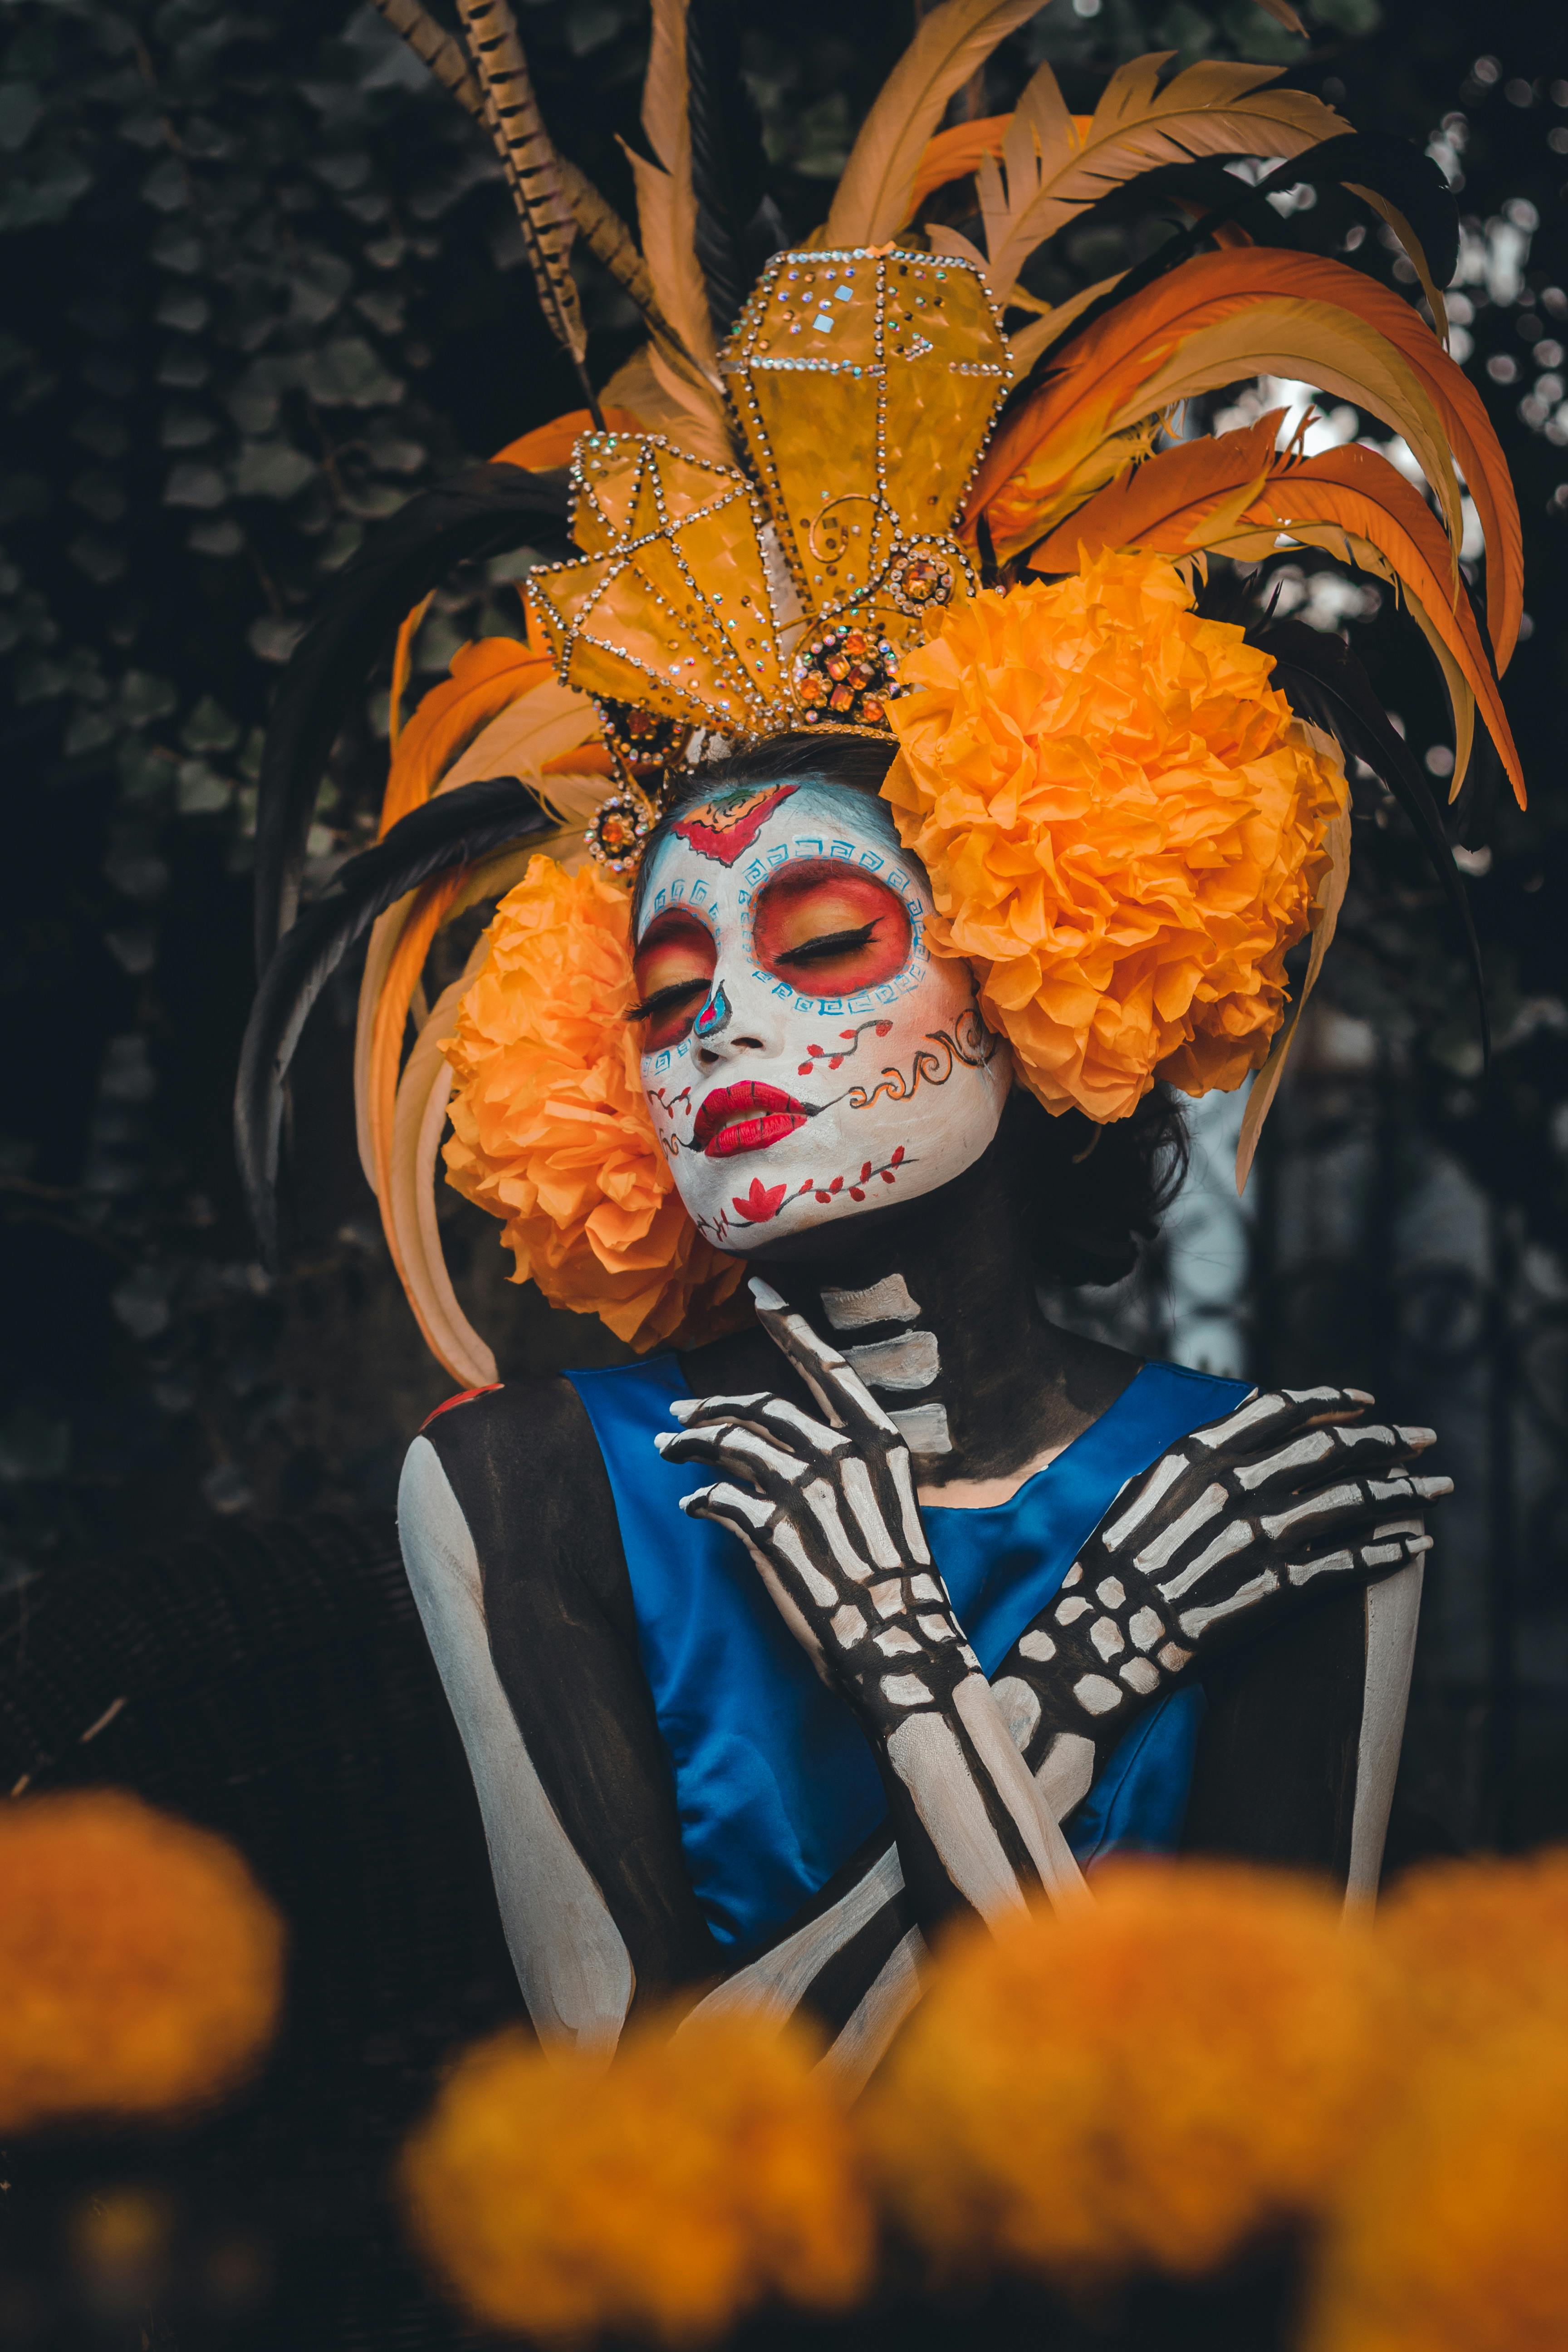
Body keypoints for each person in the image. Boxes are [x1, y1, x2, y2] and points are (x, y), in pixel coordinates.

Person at [237, 0, 1523, 2082]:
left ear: (1044, 959)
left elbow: (1222, 2164)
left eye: (825, 938)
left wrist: (949, 1674)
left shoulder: (1280, 1497)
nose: (718, 1022)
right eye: (661, 992)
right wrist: (1053, 1675)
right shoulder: (518, 1491)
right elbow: (661, 2162)